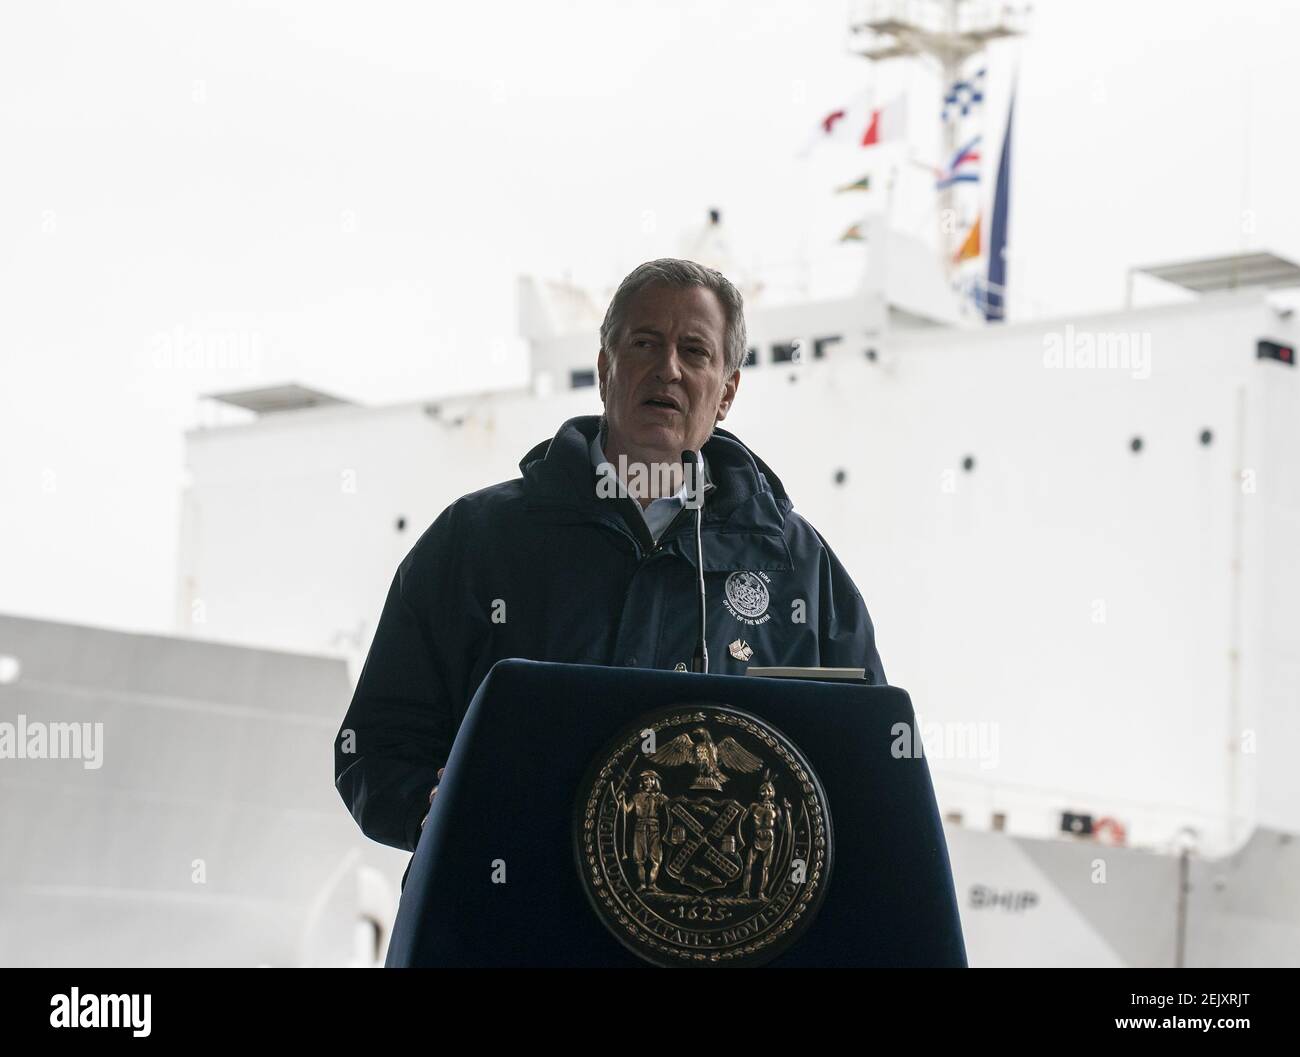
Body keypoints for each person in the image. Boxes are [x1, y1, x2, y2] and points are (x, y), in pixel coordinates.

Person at [334, 258, 885, 862]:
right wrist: (433, 808)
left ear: (726, 391)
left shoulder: (797, 567)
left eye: (695, 351)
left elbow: (862, 768)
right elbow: (377, 746)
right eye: (645, 343)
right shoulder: (477, 540)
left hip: (716, 943)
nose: (667, 368)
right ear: (604, 369)